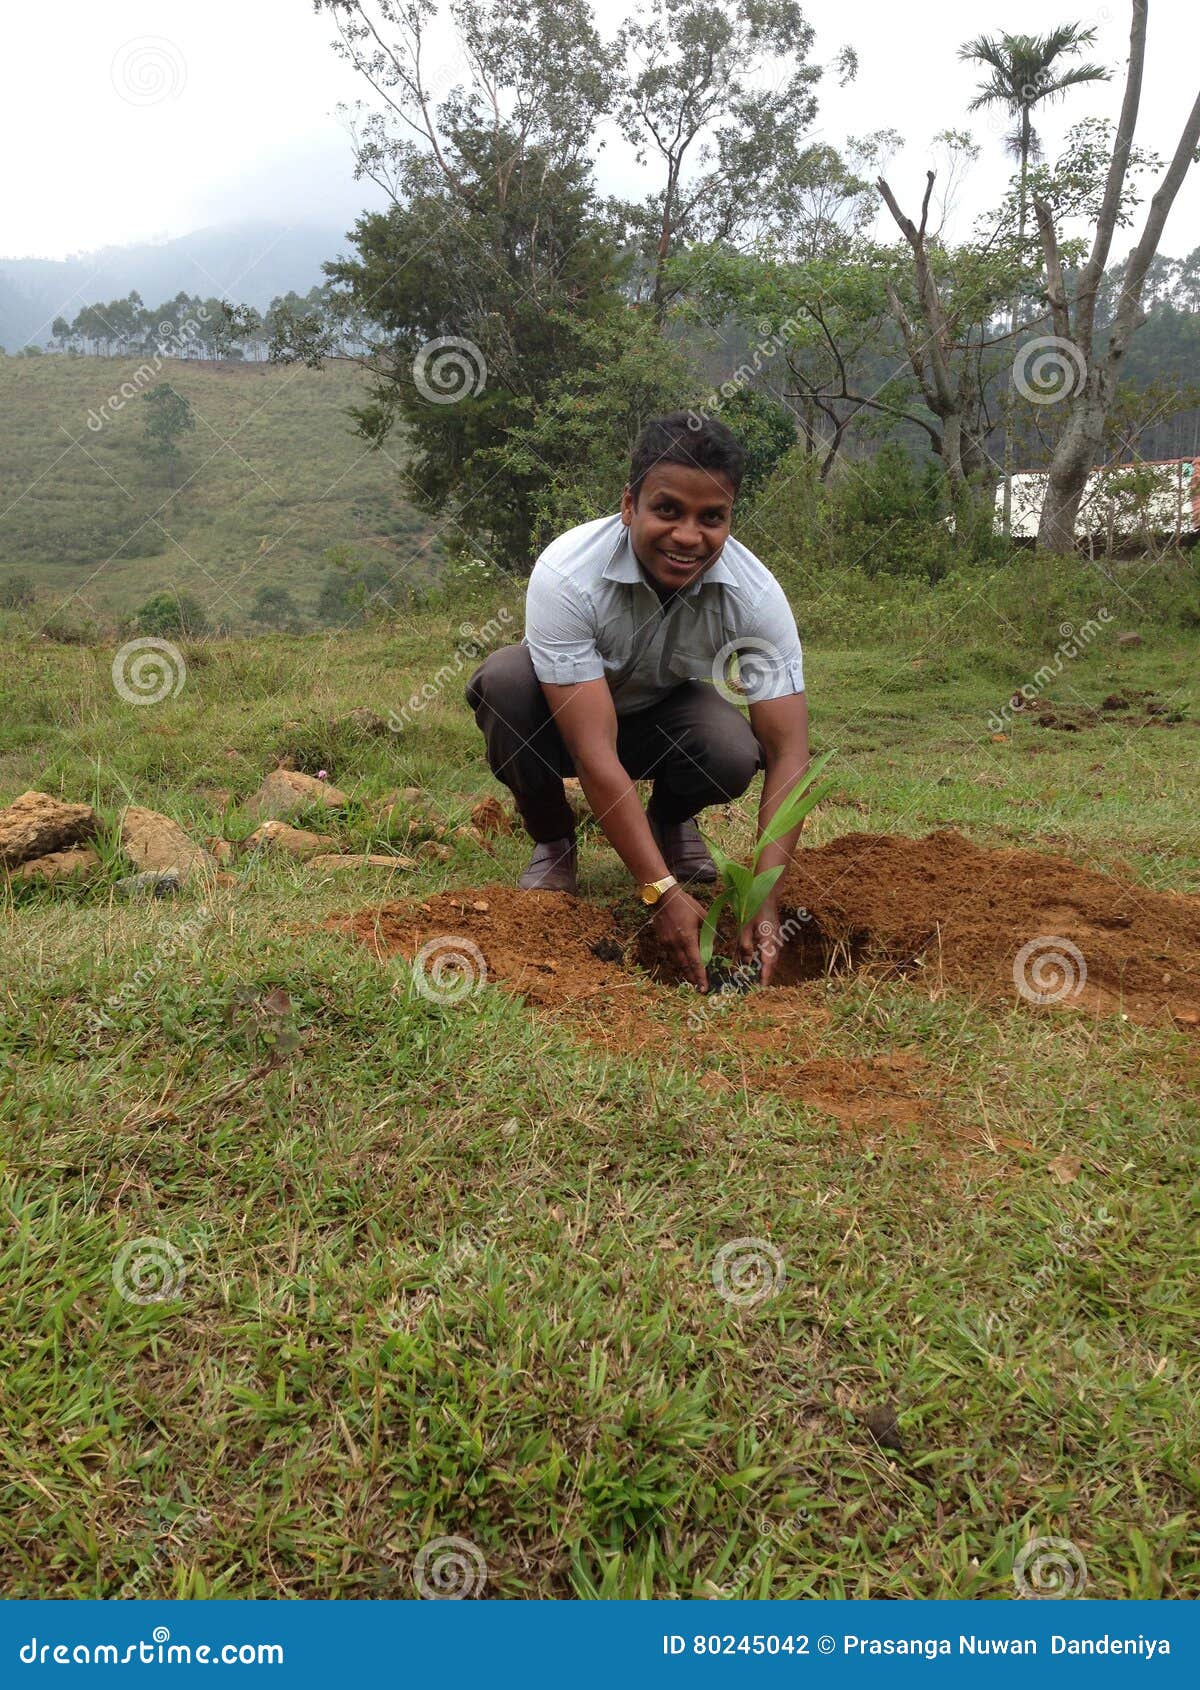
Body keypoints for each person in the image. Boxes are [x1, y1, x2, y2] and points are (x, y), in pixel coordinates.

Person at [465, 410, 809, 993]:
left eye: (712, 517)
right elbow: (593, 750)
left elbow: (789, 751)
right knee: (505, 681)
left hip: (661, 716)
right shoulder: (568, 575)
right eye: (668, 510)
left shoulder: (754, 596)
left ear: (730, 518)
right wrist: (659, 890)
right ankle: (553, 838)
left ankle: (669, 820)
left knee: (731, 749)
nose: (688, 537)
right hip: (562, 722)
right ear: (630, 505)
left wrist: (764, 894)